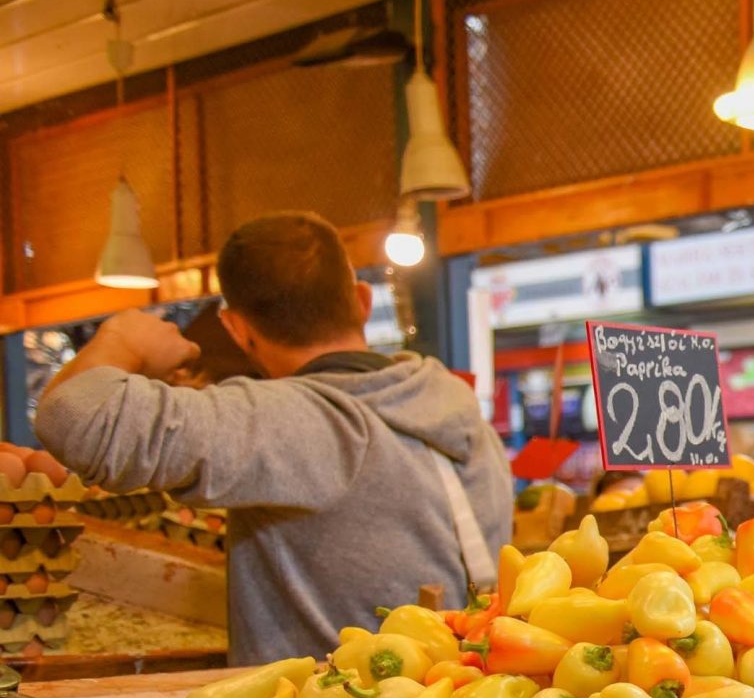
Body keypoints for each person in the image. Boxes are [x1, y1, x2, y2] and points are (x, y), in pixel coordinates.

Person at [34, 212, 509, 665]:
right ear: (362, 302)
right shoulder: (459, 409)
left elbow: (74, 417)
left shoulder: (293, 421)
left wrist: (125, 339)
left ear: (237, 328)